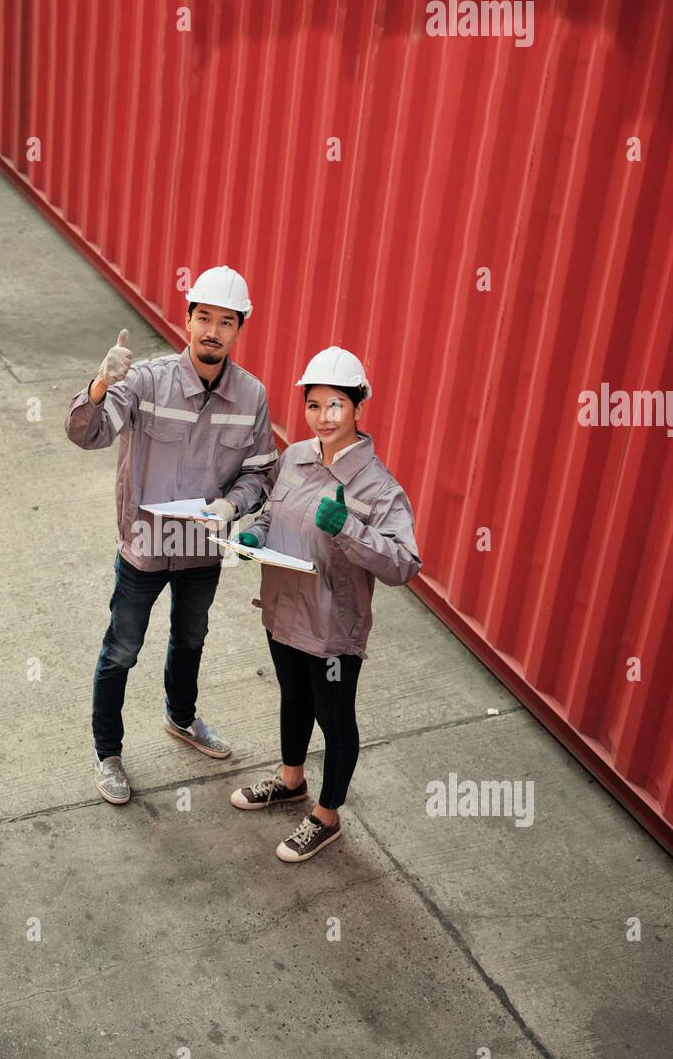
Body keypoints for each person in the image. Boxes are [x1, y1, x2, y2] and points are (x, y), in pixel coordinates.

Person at [64, 266, 278, 804]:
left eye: (225, 322)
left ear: (238, 330)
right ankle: (107, 752)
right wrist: (100, 384)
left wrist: (233, 504)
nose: (212, 330)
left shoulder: (251, 397)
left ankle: (181, 719)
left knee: (191, 639)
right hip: (145, 545)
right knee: (122, 649)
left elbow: (262, 472)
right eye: (203, 317)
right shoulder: (145, 381)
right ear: (186, 321)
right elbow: (85, 433)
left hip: (202, 549)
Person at [230, 347, 422, 862]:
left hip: (334, 628)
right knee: (293, 699)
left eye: (335, 404)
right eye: (314, 405)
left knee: (334, 719)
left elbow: (404, 565)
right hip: (283, 611)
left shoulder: (379, 489)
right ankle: (291, 781)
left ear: (358, 407)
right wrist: (255, 532)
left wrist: (351, 530)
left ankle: (327, 816)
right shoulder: (294, 456)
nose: (323, 416)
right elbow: (275, 513)